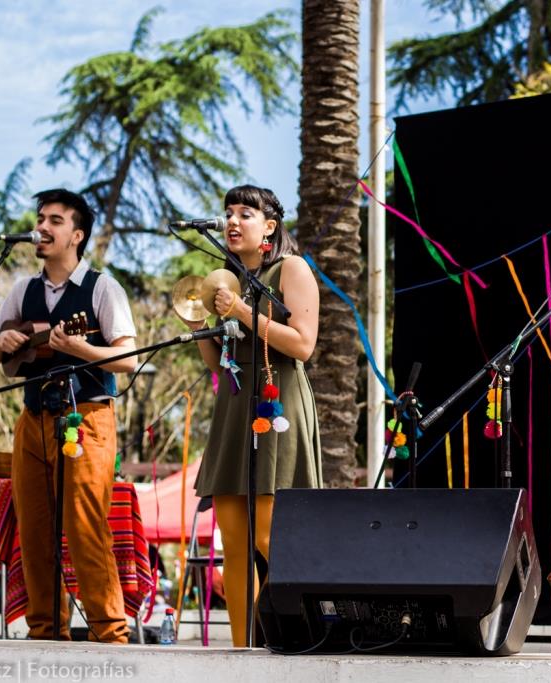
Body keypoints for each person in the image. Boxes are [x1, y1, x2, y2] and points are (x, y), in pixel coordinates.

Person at [0, 189, 137, 643]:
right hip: (33, 416)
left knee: (85, 525)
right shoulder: (22, 289)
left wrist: (80, 349)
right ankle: (46, 631)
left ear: (77, 235)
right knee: (34, 529)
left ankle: (110, 634)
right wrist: (5, 343)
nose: (42, 228)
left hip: (86, 416)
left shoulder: (102, 287)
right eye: (40, 218)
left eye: (55, 220)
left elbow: (127, 358)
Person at [185, 184, 322, 647]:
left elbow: (302, 344)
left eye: (246, 213)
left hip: (276, 396)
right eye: (228, 212)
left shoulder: (292, 269)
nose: (232, 221)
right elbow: (215, 361)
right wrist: (198, 325)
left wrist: (242, 309)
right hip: (234, 402)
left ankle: (304, 640)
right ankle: (243, 648)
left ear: (270, 225)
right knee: (234, 542)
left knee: (270, 533)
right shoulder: (223, 280)